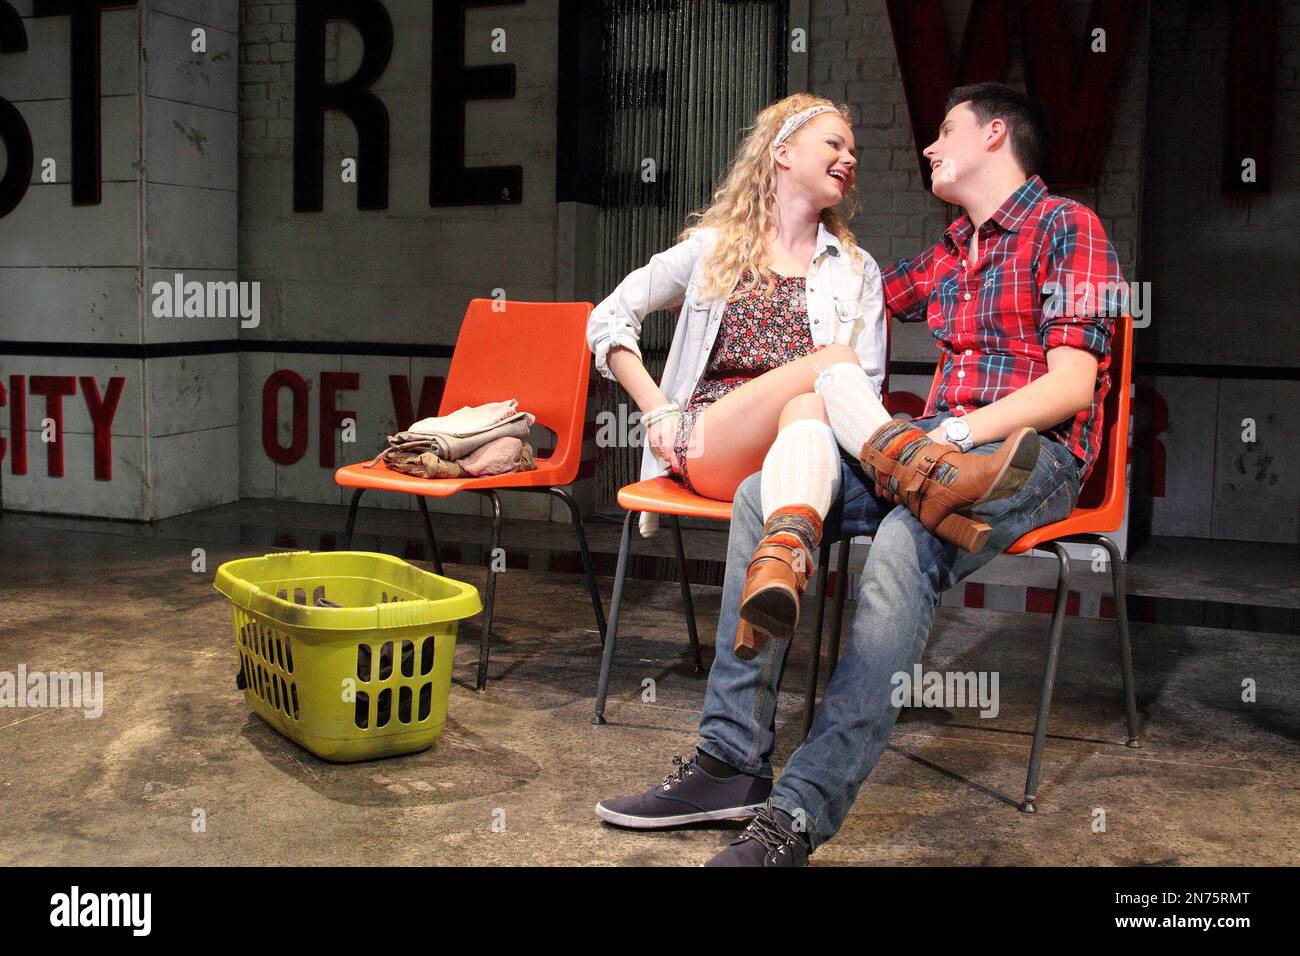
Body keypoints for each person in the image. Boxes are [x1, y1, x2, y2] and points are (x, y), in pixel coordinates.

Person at [595, 82, 1127, 866]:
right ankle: (729, 759)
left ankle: (796, 818)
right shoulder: (952, 251)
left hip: (1027, 455)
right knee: (758, 494)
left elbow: (1072, 388)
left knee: (904, 549)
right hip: (923, 452)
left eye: (945, 131)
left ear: (994, 136)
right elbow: (856, 298)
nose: (928, 147)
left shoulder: (1068, 226)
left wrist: (953, 431)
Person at [586, 93, 886, 541]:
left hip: (806, 452)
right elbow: (608, 317)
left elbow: (868, 388)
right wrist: (656, 412)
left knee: (809, 403)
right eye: (834, 144)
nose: (849, 158)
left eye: (851, 150)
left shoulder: (856, 268)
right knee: (836, 360)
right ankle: (914, 472)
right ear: (783, 152)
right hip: (711, 444)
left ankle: (778, 569)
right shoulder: (713, 251)